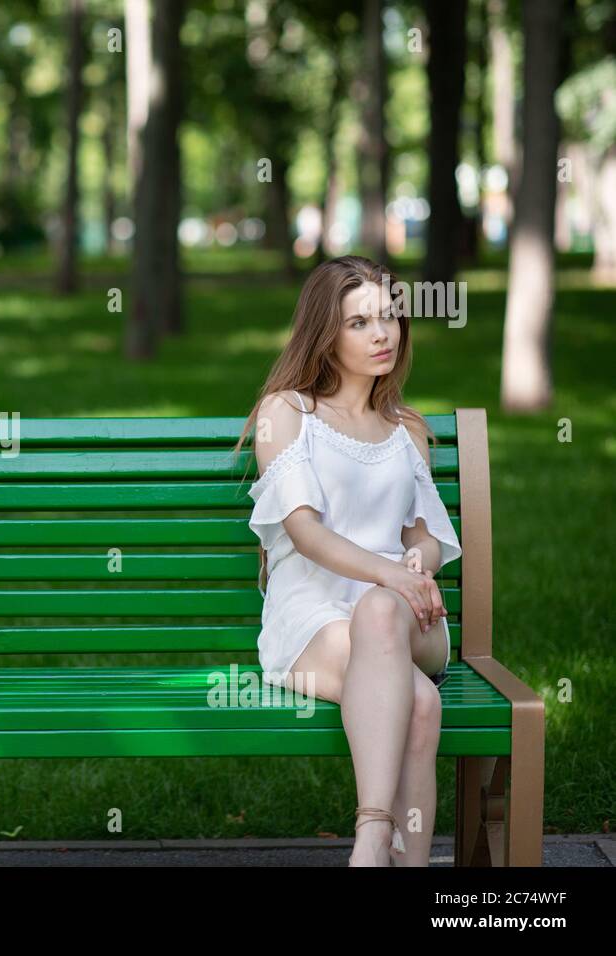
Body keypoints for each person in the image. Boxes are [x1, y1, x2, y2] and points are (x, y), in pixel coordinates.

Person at [233, 255, 462, 867]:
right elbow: (304, 533)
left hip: (401, 612)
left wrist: (416, 567)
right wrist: (390, 574)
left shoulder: (404, 428)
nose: (382, 333)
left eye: (388, 317)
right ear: (324, 334)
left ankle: (369, 837)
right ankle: (394, 853)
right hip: (313, 617)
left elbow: (425, 536)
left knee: (384, 614)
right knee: (422, 702)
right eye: (359, 323)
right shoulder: (287, 414)